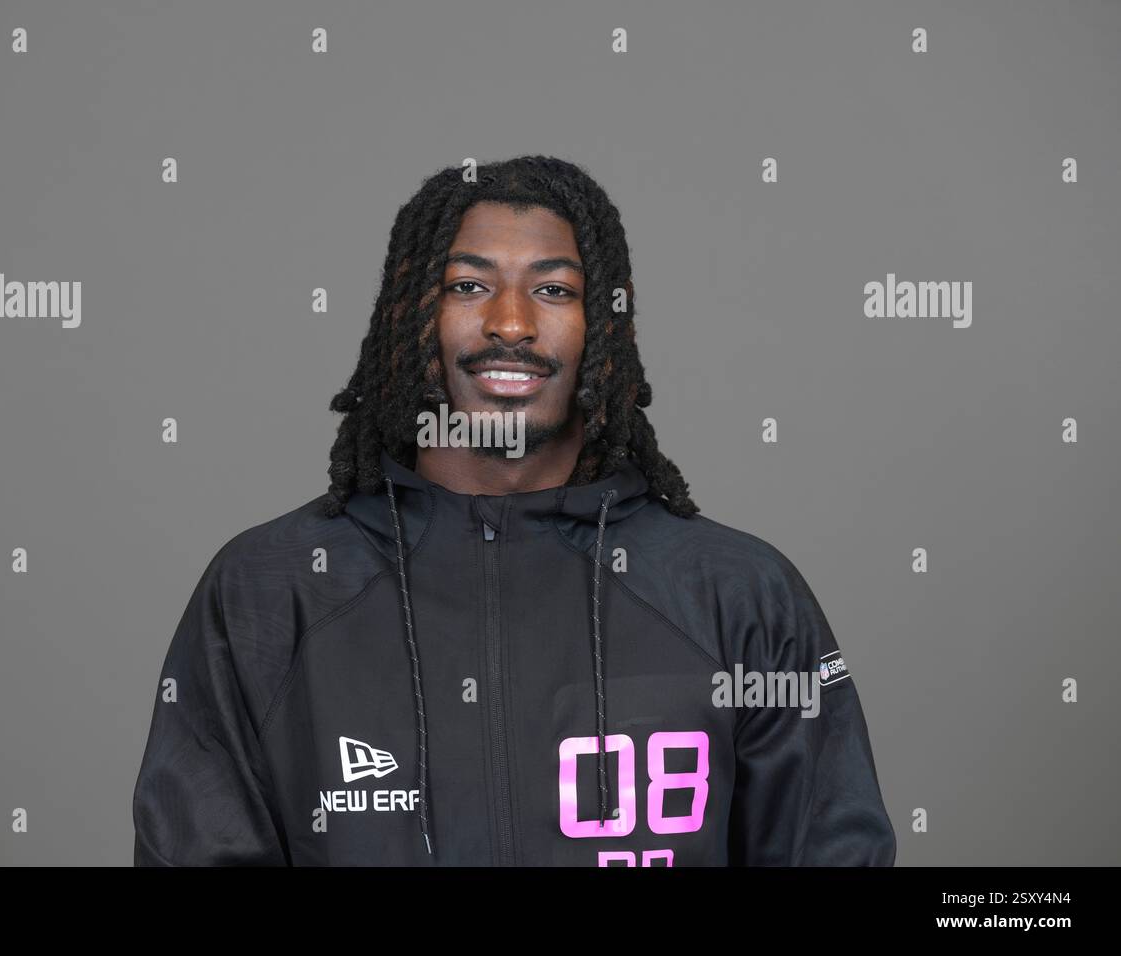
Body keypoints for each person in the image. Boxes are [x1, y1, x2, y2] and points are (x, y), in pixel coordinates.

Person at [131, 155, 896, 866]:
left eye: (554, 289)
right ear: (408, 317)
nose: (509, 323)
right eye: (467, 285)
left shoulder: (737, 593)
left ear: (607, 330)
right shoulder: (273, 591)